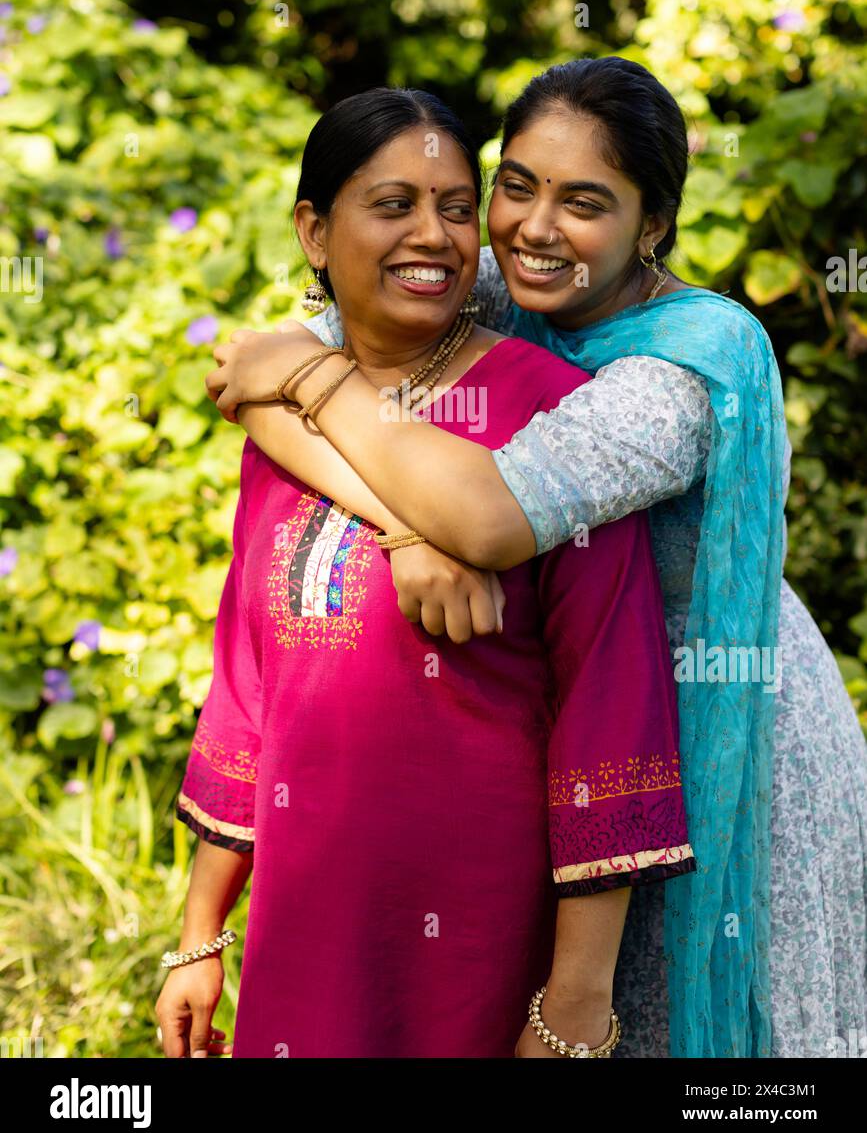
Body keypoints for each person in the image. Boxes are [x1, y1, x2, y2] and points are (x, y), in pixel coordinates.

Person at [211, 58, 867, 1060]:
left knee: (695, 1029)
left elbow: (487, 517)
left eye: (585, 202)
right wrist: (398, 521)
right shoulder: (500, 285)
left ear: (652, 226)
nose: (534, 225)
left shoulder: (676, 373)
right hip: (572, 701)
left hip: (718, 718)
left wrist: (313, 380)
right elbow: (255, 376)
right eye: (516, 184)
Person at [158, 86, 694, 1060]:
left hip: (478, 930)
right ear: (314, 231)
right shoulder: (290, 413)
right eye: (393, 204)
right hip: (304, 909)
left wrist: (573, 1002)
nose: (436, 236)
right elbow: (248, 684)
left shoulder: (550, 414)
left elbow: (612, 710)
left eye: (456, 206)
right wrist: (199, 936)